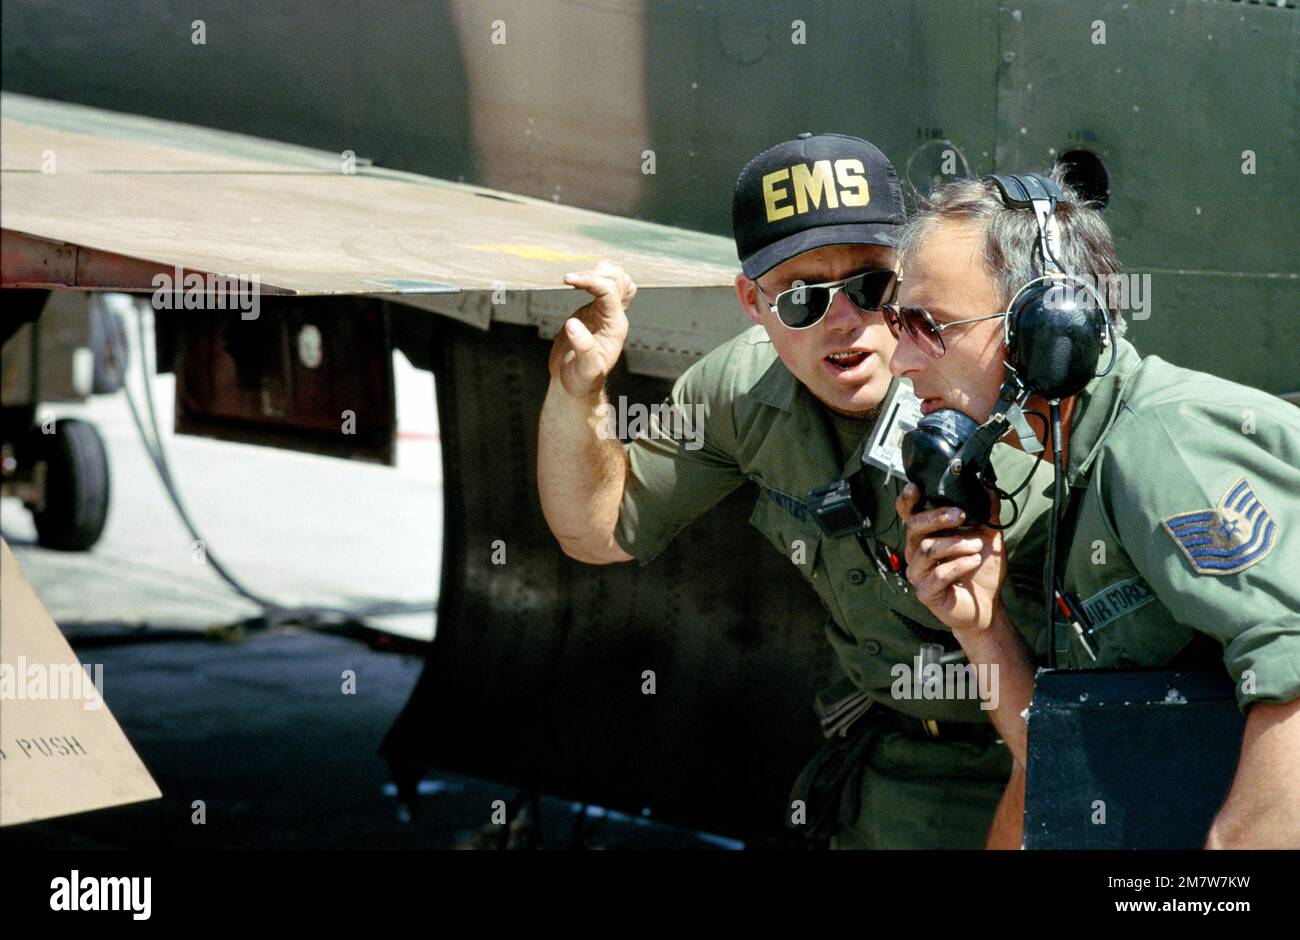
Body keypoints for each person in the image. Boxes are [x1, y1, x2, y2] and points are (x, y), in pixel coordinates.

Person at [538, 133, 1056, 849]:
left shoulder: (995, 399)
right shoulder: (743, 393)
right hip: (889, 765)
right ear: (753, 302)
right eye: (804, 298)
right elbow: (595, 532)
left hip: (1036, 758)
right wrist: (580, 393)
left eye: (872, 287)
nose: (844, 321)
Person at [889, 169, 1300, 848]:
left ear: (1046, 326)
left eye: (929, 327)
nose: (902, 359)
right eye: (897, 324)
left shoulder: (1159, 449)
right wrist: (982, 626)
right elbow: (1060, 764)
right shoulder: (1081, 473)